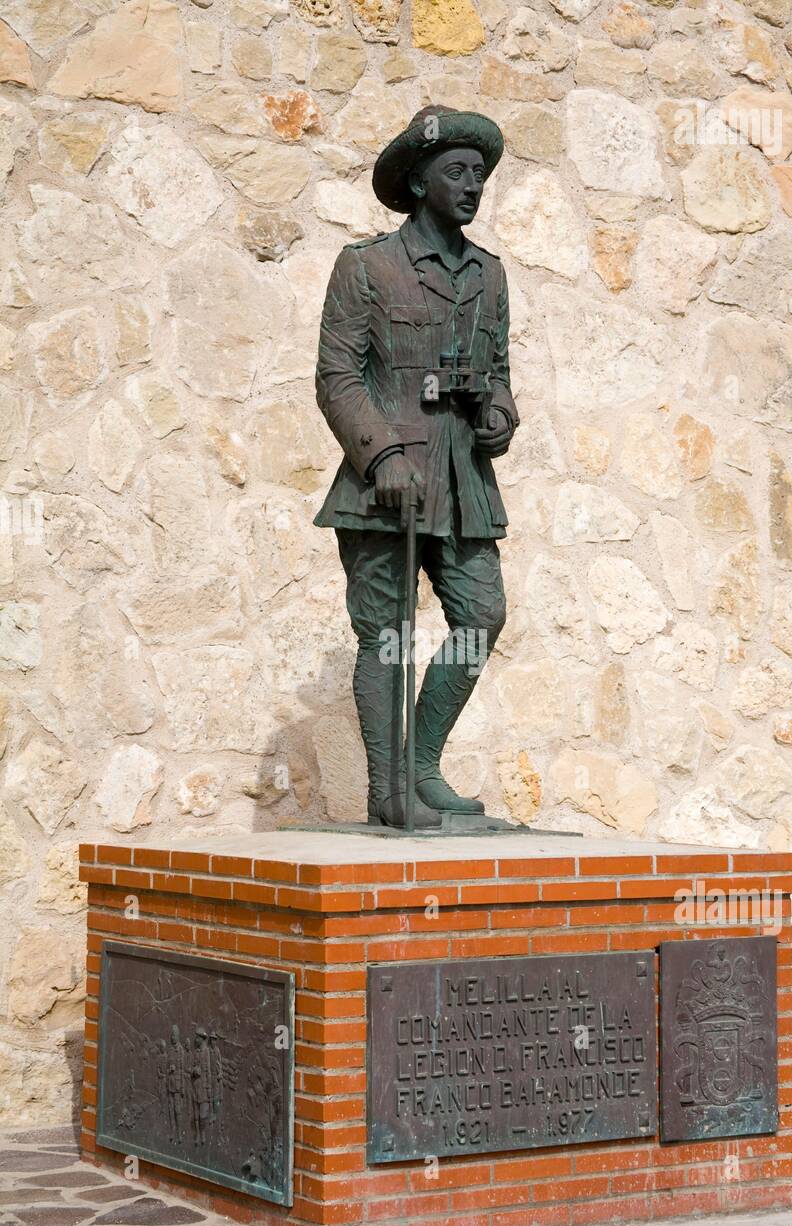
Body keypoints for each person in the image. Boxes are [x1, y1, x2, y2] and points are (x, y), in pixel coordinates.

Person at [315, 106, 519, 829]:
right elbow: (338, 377)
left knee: (481, 614)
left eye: (480, 174)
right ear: (419, 181)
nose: (474, 186)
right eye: (457, 173)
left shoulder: (490, 277)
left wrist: (498, 414)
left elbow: (495, 371)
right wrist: (385, 455)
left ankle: (423, 762)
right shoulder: (366, 267)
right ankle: (389, 788)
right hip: (384, 489)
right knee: (388, 632)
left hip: (463, 485)